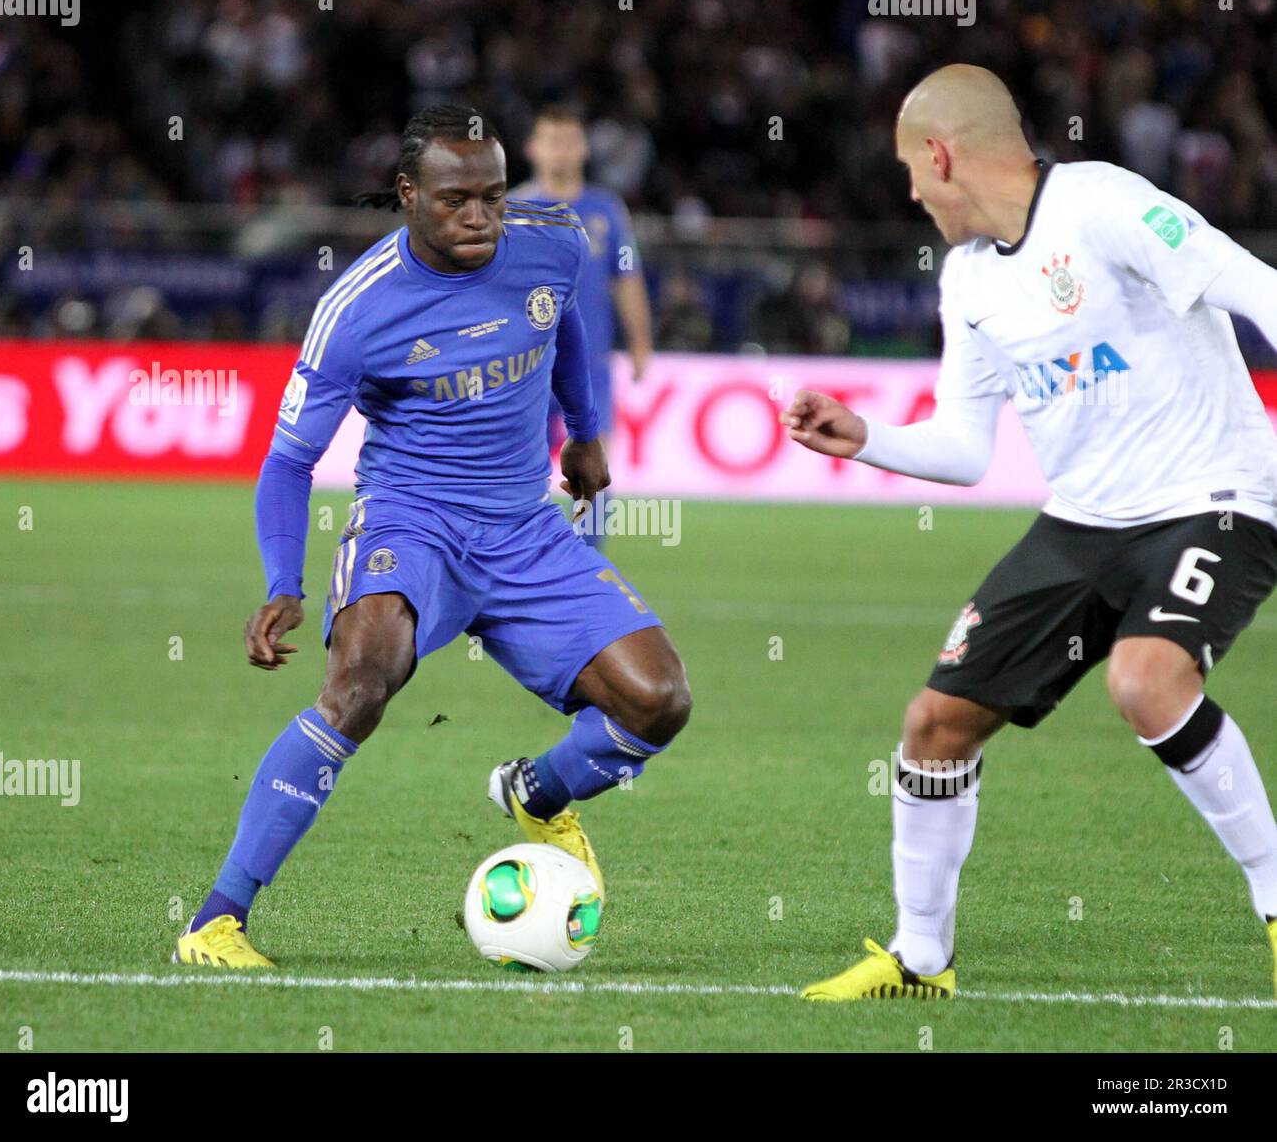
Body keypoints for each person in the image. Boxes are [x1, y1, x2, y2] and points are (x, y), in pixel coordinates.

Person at [782, 65, 1277, 1001]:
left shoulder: (1104, 204)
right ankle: (922, 959)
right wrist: (867, 440)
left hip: (1216, 496)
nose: (912, 193)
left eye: (909, 171)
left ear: (940, 154)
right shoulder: (968, 281)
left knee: (1146, 679)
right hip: (1085, 522)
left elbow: (1258, 289)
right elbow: (967, 448)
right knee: (935, 725)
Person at [175, 105, 690, 969]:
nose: (481, 216)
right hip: (413, 524)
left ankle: (538, 791)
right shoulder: (357, 310)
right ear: (410, 194)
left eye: (492, 196)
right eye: (457, 200)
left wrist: (586, 431)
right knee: (358, 685)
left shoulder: (552, 239)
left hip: (525, 527)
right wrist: (282, 583)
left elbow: (561, 318)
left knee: (657, 702)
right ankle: (217, 921)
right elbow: (289, 463)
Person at [510, 105, 653, 547]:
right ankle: (516, 567)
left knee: (592, 468)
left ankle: (586, 571)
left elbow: (625, 278)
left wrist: (640, 343)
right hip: (524, 363)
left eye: (569, 140)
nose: (561, 150)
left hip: (589, 362)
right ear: (533, 148)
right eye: (552, 140)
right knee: (517, 469)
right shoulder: (511, 209)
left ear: (584, 148)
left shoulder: (606, 211)